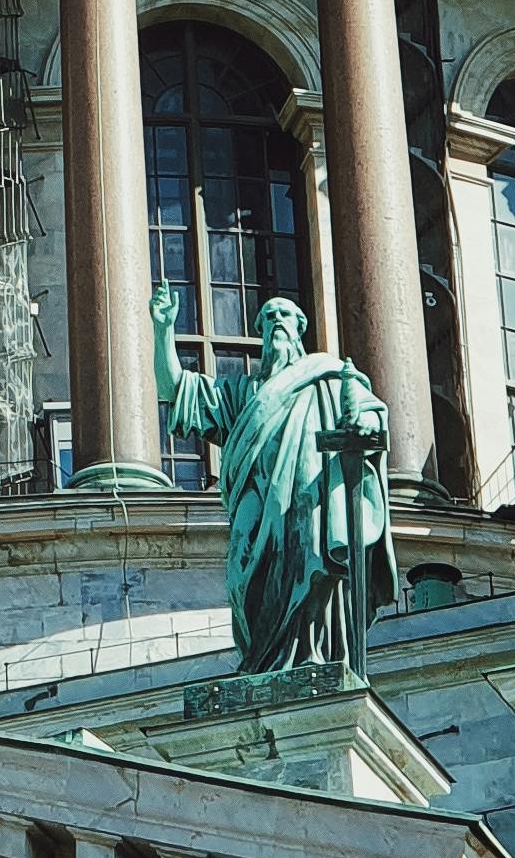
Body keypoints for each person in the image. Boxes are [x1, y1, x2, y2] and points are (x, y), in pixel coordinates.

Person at [152, 285, 397, 679]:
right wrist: (164, 329)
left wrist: (365, 423)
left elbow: (371, 416)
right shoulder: (243, 393)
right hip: (256, 505)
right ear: (260, 331)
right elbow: (176, 389)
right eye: (268, 317)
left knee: (312, 573)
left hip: (311, 502)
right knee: (241, 578)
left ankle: (313, 657)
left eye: (284, 314)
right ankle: (260, 661)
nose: (276, 322)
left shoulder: (329, 379)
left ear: (300, 327)